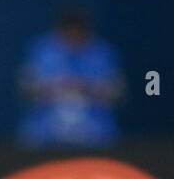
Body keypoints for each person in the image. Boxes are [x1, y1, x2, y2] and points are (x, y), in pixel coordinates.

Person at [17, 8, 123, 149]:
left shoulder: (102, 52)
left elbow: (117, 93)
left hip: (95, 134)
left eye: (78, 32)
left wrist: (87, 88)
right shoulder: (42, 50)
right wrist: (54, 87)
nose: (73, 36)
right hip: (45, 134)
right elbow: (25, 88)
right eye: (68, 32)